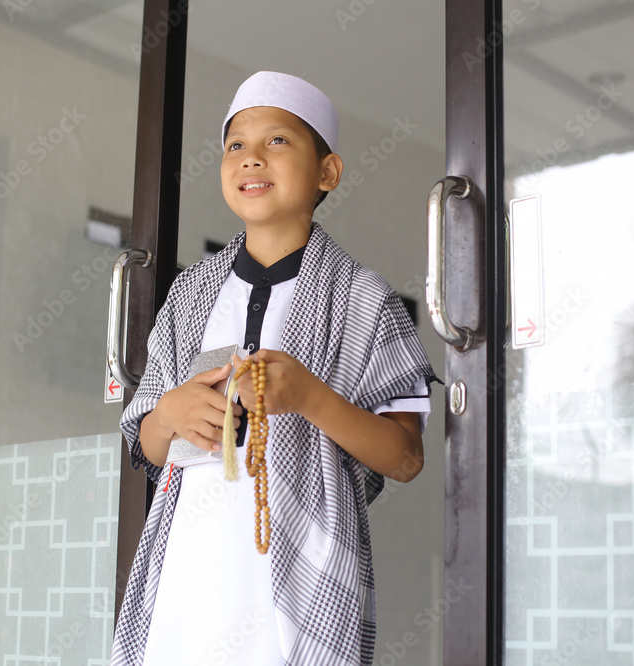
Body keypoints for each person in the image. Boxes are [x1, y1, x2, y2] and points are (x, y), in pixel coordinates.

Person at [111, 71, 438, 666]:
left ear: (327, 173)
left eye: (277, 141)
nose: (250, 158)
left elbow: (406, 457)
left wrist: (312, 399)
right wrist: (168, 413)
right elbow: (147, 443)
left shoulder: (363, 298)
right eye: (236, 145)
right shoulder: (189, 294)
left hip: (301, 565)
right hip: (188, 561)